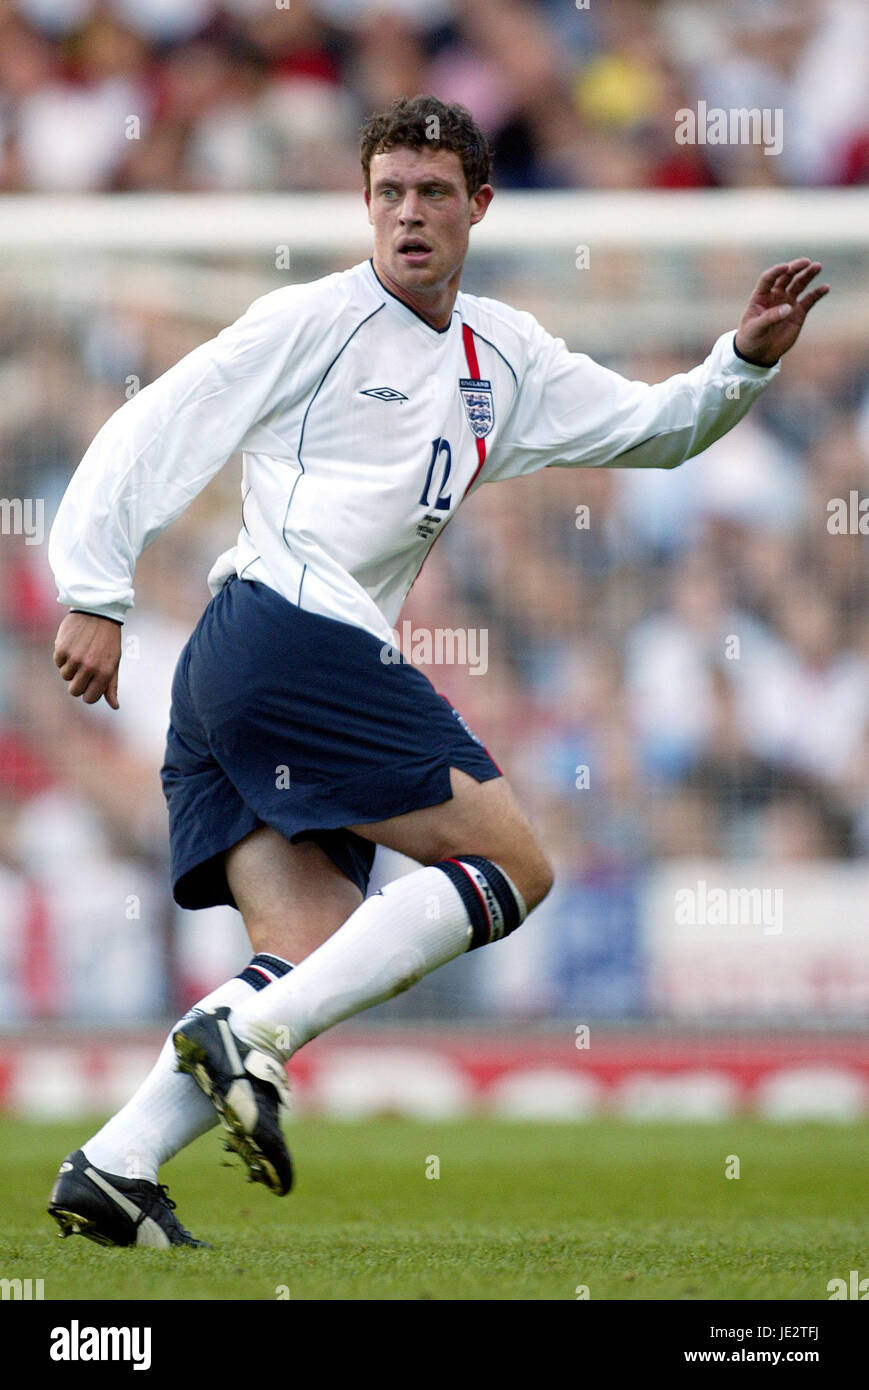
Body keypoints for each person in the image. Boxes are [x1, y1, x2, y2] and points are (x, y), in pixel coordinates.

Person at [45, 95, 828, 1247]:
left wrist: (737, 364)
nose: (408, 215)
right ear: (364, 206)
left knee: (303, 959)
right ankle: (244, 1045)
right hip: (283, 631)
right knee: (514, 863)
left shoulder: (501, 357)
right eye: (388, 194)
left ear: (478, 207)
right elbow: (161, 420)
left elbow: (649, 426)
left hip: (249, 668)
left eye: (432, 194)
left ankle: (112, 1169)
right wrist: (95, 587)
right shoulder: (310, 319)